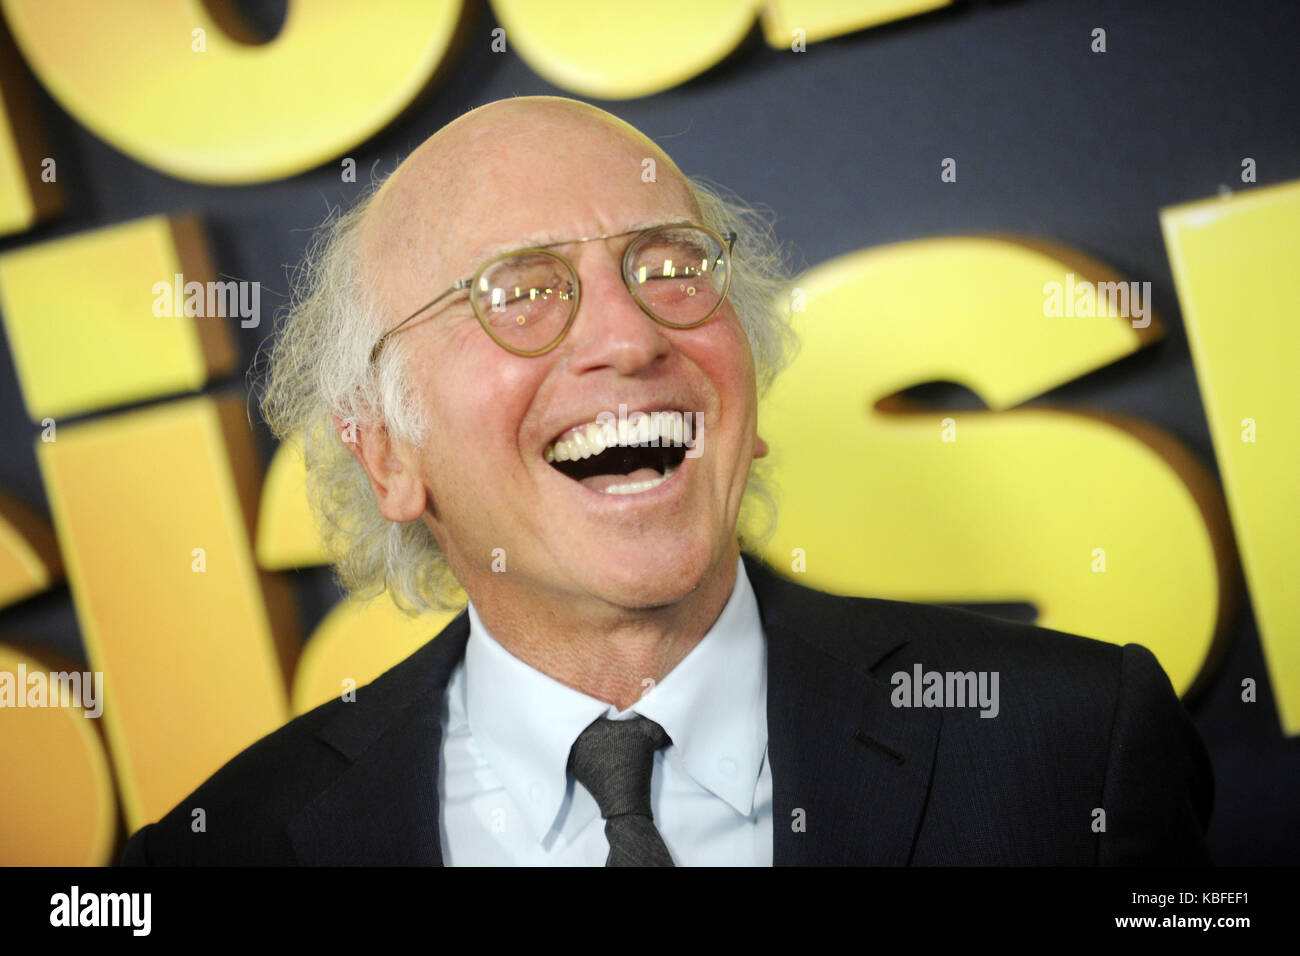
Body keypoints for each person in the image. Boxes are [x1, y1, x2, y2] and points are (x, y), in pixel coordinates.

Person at [121, 96, 1212, 866]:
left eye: (671, 266)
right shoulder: (227, 848)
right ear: (389, 452)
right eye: (521, 290)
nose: (629, 335)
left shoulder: (1073, 741)